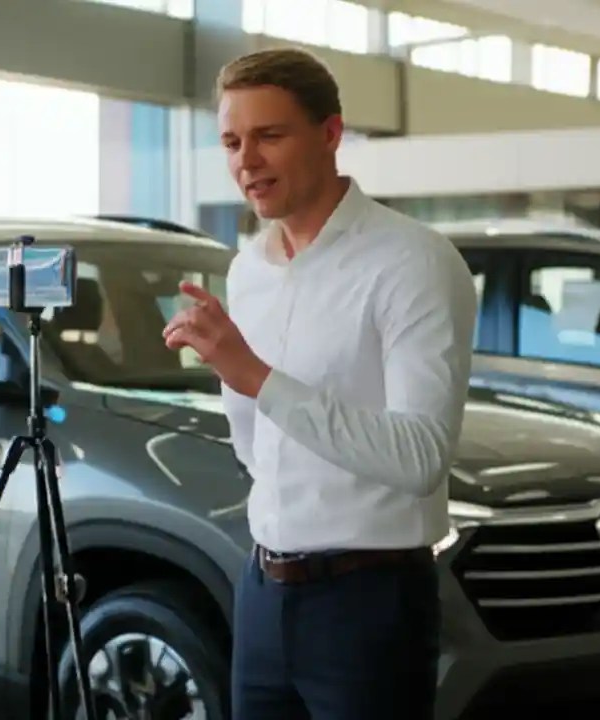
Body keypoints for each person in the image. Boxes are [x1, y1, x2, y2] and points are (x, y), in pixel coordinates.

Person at [162, 47, 477, 720]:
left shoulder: (411, 262)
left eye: (269, 135)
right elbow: (256, 448)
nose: (246, 159)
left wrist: (258, 377)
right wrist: (249, 384)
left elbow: (421, 456)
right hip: (262, 591)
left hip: (369, 604)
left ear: (330, 134)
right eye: (231, 141)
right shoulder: (248, 270)